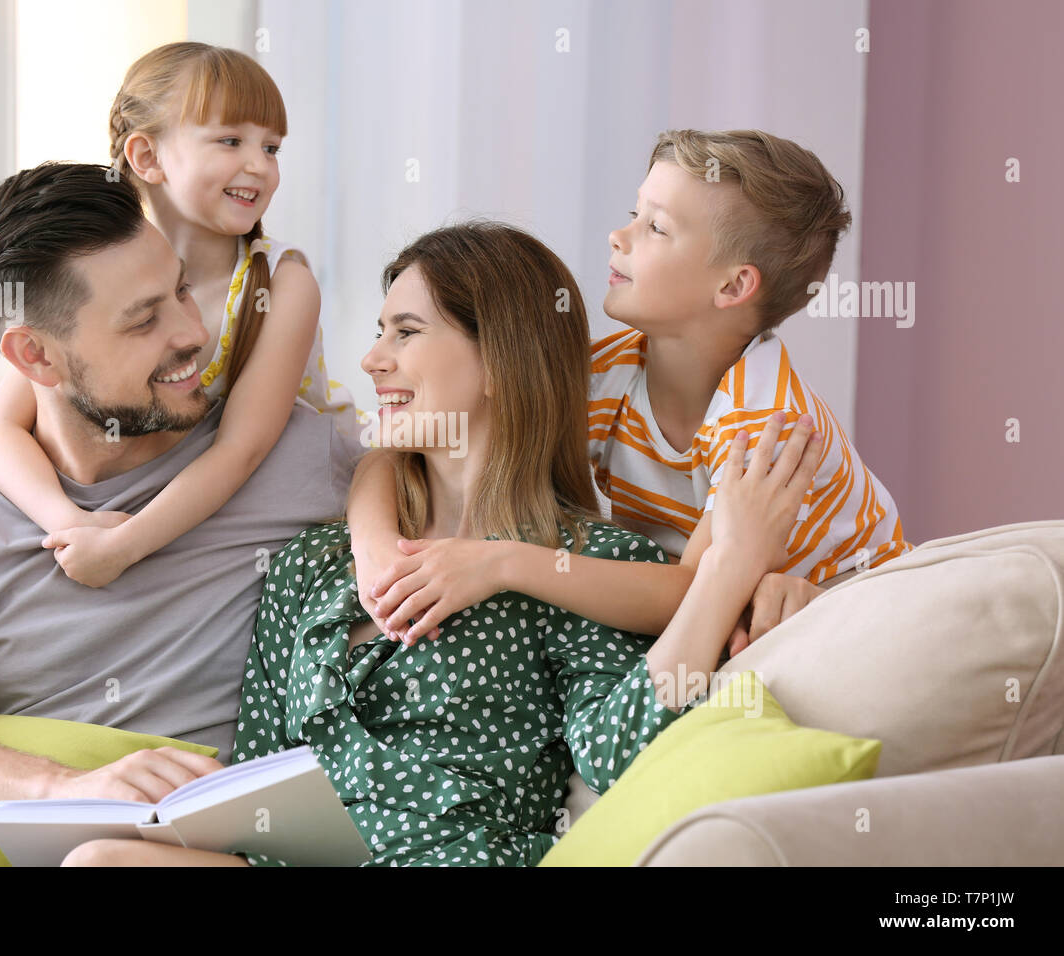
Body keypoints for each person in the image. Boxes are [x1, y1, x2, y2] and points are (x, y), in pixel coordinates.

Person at [61, 222, 821, 866]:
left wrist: (728, 569)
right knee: (101, 862)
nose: (372, 358)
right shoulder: (314, 563)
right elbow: (255, 772)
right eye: (378, 331)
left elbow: (620, 756)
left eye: (408, 332)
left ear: (501, 360)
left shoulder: (593, 569)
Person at [0, 162, 361, 814]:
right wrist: (65, 791)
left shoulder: (307, 456)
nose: (194, 335)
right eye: (143, 322)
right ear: (35, 357)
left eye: (183, 292)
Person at [348, 129, 911, 656]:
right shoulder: (606, 372)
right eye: (632, 216)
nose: (618, 237)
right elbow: (408, 438)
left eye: (656, 228)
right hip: (722, 605)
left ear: (734, 285)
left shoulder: (765, 425)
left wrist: (500, 563)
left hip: (860, 610)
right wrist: (374, 548)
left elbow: (685, 594)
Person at [0, 42, 367, 590]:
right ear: (147, 157)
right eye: (231, 140)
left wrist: (122, 545)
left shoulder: (283, 282)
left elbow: (241, 447)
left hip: (303, 502)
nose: (260, 165)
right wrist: (69, 522)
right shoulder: (100, 282)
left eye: (271, 147)